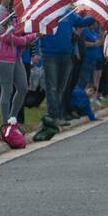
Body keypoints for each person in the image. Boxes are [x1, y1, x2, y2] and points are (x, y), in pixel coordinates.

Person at [37, 8, 96, 139]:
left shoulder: (69, 13)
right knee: (52, 87)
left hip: (66, 55)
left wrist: (97, 13)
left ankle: (58, 115)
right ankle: (53, 116)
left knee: (61, 88)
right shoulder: (46, 10)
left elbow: (83, 22)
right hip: (50, 54)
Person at [0, 0, 37, 129]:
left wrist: (33, 35)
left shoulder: (18, 18)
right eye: (11, 0)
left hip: (16, 57)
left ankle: (12, 119)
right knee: (7, 90)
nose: (14, 3)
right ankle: (5, 124)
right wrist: (28, 39)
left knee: (23, 87)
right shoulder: (2, 16)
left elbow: (21, 33)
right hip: (3, 57)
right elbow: (5, 37)